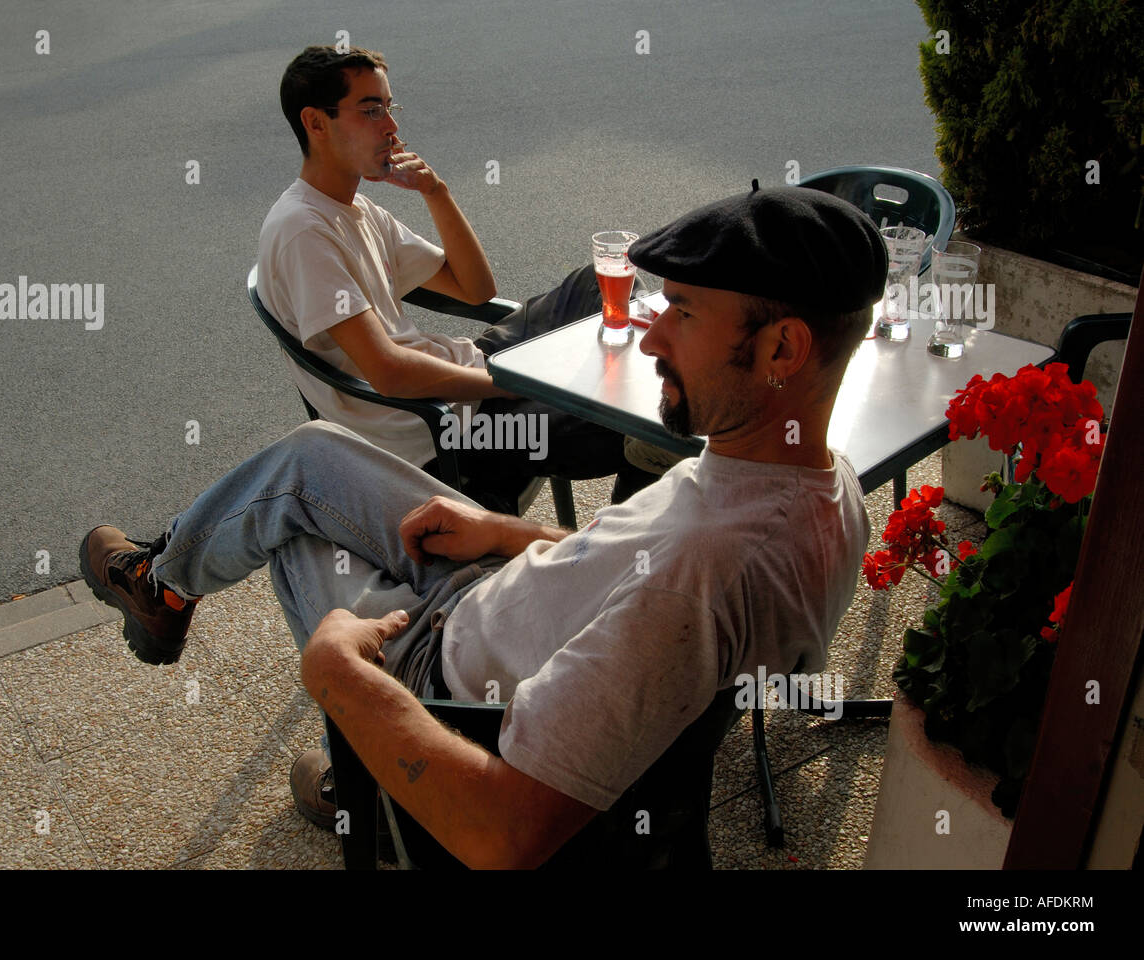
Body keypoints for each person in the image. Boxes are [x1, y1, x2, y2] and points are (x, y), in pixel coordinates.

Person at [80, 185, 884, 868]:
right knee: (313, 455)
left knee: (292, 527)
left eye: (683, 312)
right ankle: (162, 583)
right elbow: (629, 572)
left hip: (446, 675)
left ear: (783, 346)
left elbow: (504, 835)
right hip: (504, 595)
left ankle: (369, 789)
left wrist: (340, 677)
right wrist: (504, 532)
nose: (651, 333)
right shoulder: (822, 480)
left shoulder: (703, 570)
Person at [262, 44, 655, 515]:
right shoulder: (304, 230)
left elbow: (475, 289)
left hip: (464, 378)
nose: (391, 127)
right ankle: (635, 524)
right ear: (315, 123)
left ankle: (623, 428)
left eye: (389, 108)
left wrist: (435, 192)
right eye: (370, 111)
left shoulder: (357, 208)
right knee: (648, 413)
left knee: (600, 284)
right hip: (443, 432)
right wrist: (501, 382)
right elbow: (387, 372)